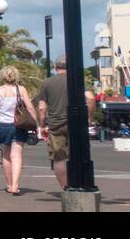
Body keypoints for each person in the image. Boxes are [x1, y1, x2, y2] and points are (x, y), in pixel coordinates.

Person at [33, 57, 96, 189]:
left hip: (56, 125)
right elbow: (90, 98)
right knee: (79, 154)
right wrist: (89, 118)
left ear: (56, 67)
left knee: (59, 158)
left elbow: (42, 107)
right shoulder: (78, 80)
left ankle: (65, 187)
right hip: (77, 123)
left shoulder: (47, 83)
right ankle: (82, 184)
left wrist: (42, 125)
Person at [0, 65, 35, 195]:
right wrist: (37, 123)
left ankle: (9, 185)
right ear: (15, 76)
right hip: (19, 125)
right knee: (16, 156)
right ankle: (16, 186)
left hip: (2, 126)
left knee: (6, 156)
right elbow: (30, 107)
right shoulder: (21, 90)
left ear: (3, 76)